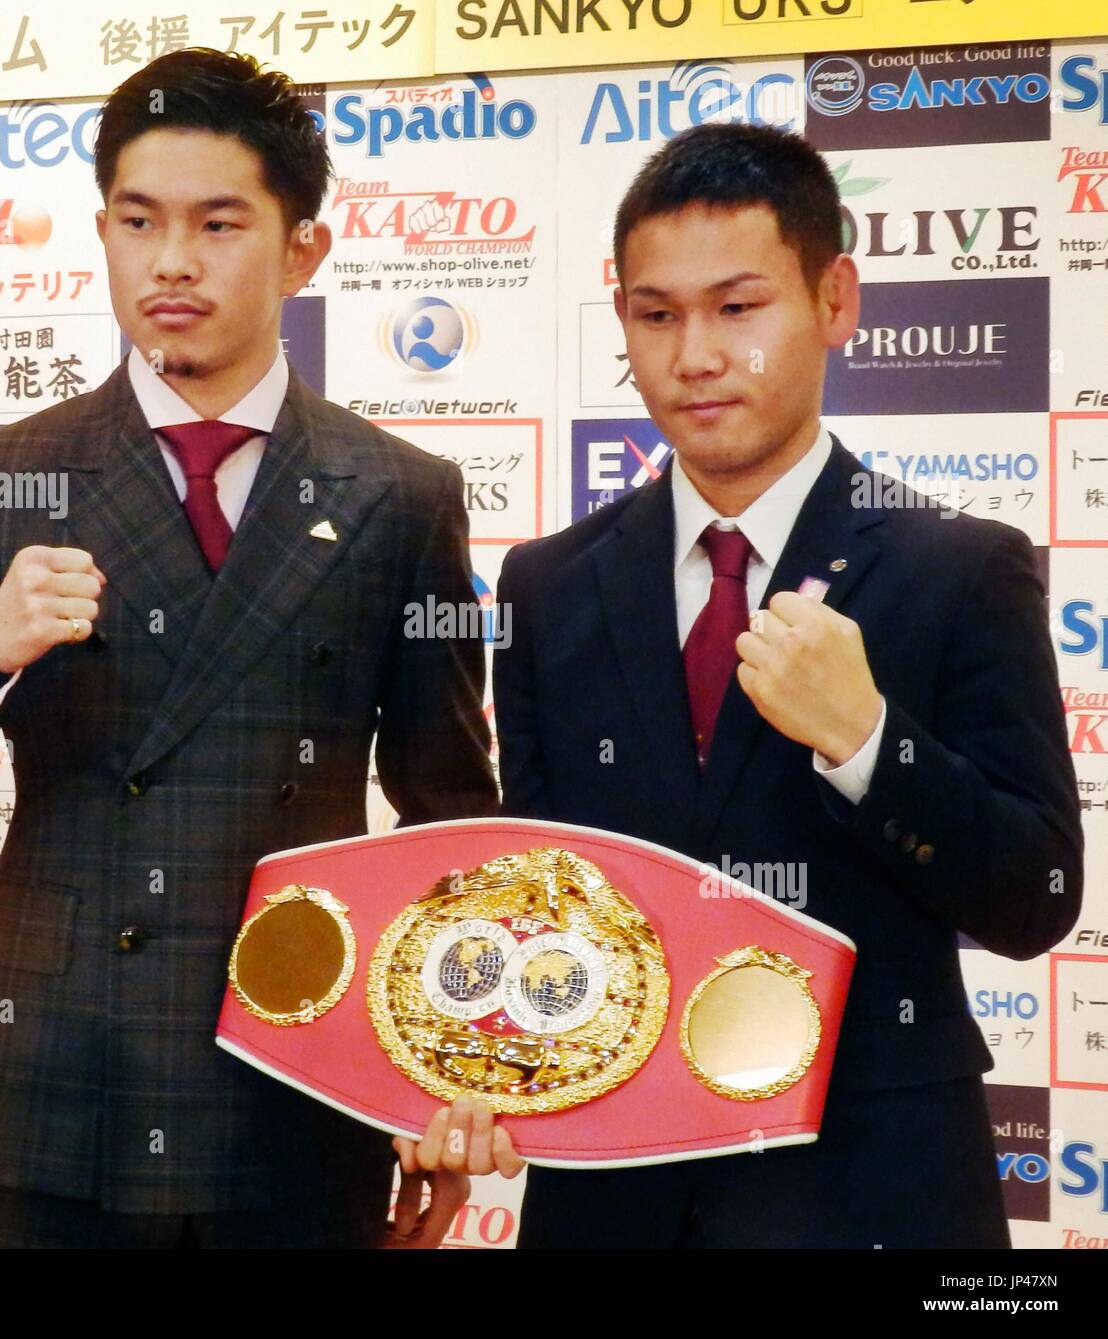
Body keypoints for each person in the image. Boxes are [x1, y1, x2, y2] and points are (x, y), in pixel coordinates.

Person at [0, 46, 497, 1249]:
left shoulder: (399, 494)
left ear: (304, 248)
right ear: (101, 233)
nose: (172, 262)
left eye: (218, 222)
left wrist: (435, 1075)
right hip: (59, 1079)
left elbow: (451, 821)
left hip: (301, 1068)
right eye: (138, 222)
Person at [417, 121, 1082, 1248]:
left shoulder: (958, 564)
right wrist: (473, 1059)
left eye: (738, 307)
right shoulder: (547, 581)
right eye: (655, 313)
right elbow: (536, 892)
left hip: (872, 1180)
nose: (693, 356)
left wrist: (867, 741)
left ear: (834, 300)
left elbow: (1035, 898)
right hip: (609, 1179)